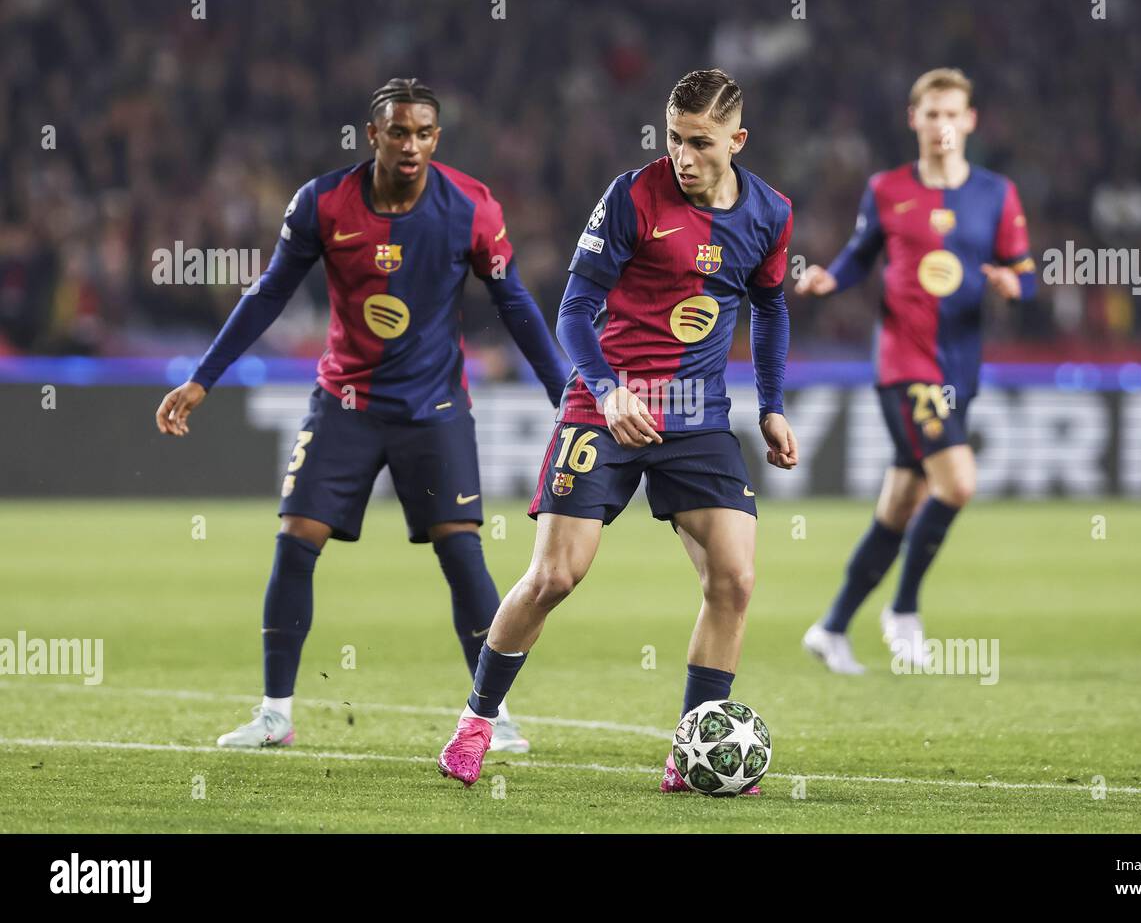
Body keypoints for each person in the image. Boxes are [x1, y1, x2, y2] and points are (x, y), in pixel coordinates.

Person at [154, 78, 569, 751]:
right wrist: (203, 378)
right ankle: (275, 714)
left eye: (425, 133)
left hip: (434, 408)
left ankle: (492, 717)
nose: (412, 145)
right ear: (372, 135)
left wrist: (562, 392)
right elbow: (268, 295)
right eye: (398, 132)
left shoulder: (470, 207)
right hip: (345, 403)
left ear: (438, 138)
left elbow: (516, 304)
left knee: (461, 550)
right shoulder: (323, 203)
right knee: (296, 540)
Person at [435, 69, 797, 793]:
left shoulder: (771, 213)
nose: (683, 156)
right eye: (674, 139)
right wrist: (606, 392)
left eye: (700, 142)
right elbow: (573, 309)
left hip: (696, 416)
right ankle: (477, 721)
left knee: (735, 578)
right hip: (607, 406)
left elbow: (771, 307)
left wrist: (770, 404)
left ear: (738, 140)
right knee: (554, 577)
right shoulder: (633, 195)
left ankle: (691, 752)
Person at [798, 68, 1037, 674]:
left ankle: (831, 627)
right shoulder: (886, 188)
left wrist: (1015, 285)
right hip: (904, 363)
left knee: (899, 507)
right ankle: (902, 611)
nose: (942, 125)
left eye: (952, 113)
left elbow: (1026, 273)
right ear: (914, 119)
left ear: (970, 120)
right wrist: (830, 277)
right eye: (931, 114)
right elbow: (860, 255)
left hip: (961, 366)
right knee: (956, 484)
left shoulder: (996, 194)